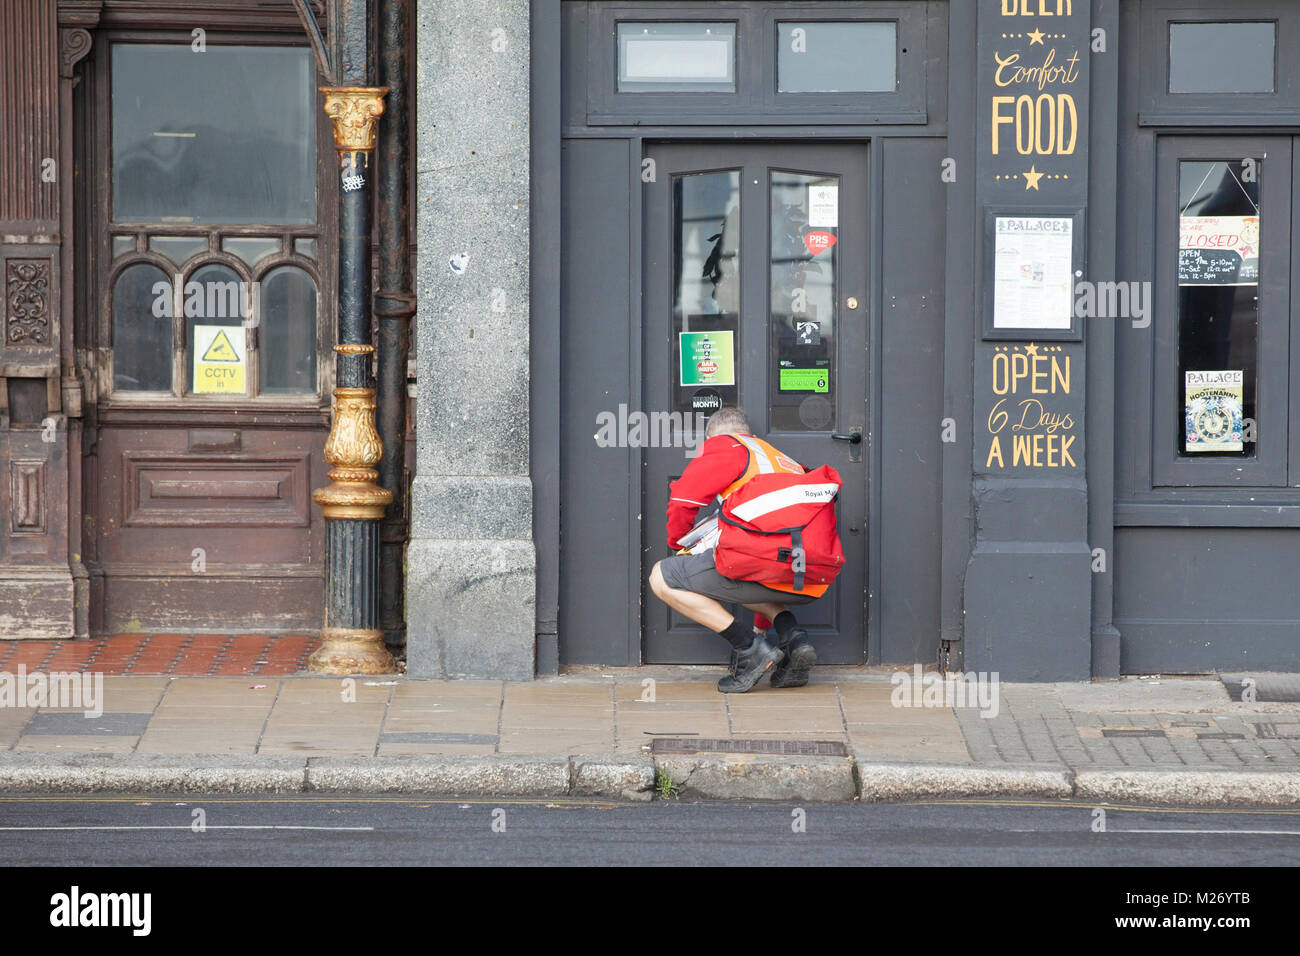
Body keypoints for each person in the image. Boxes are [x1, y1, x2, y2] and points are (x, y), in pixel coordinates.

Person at [648, 407, 823, 693]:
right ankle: (794, 639)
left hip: (770, 563)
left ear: (710, 438)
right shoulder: (781, 459)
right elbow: (777, 539)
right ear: (749, 435)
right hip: (809, 576)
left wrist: (681, 547)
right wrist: (761, 626)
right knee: (735, 568)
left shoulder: (724, 447)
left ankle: (750, 650)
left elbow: (681, 502)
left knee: (662, 578)